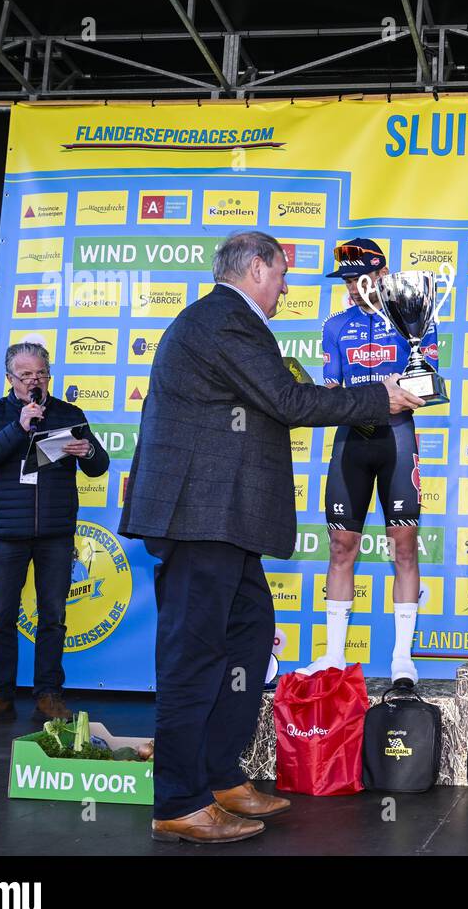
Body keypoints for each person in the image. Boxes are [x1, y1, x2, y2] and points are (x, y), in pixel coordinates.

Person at [119, 231, 423, 845]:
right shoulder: (224, 320)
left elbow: (273, 399)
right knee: (193, 659)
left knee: (249, 640)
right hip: (199, 517)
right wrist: (378, 396)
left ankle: (220, 777)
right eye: (282, 273)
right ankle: (178, 800)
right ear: (257, 268)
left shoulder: (232, 322)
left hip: (226, 521)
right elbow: (286, 399)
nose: (287, 286)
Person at [296, 239, 437, 686]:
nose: (352, 289)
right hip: (350, 444)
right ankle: (334, 656)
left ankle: (402, 659)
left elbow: (424, 391)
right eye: (345, 281)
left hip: (397, 441)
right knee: (341, 548)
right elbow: (333, 398)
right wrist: (378, 396)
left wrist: (385, 396)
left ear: (381, 273)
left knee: (404, 546)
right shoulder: (335, 326)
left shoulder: (415, 318)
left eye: (358, 279)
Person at [0, 342, 110, 724]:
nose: (34, 381)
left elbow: (100, 466)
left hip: (56, 534)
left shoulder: (69, 413)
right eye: (25, 375)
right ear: (10, 379)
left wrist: (86, 450)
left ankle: (48, 695)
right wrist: (18, 427)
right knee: (1, 617)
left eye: (40, 373)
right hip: (8, 532)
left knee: (53, 617)